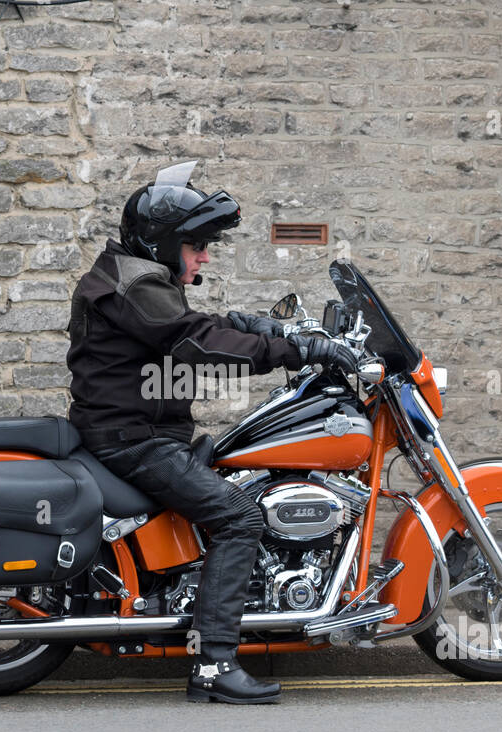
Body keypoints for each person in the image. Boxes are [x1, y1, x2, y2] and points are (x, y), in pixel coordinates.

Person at [66, 161, 357, 704]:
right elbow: (193, 339)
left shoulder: (134, 277)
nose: (204, 256)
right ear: (162, 242)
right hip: (135, 441)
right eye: (196, 245)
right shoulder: (134, 286)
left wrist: (261, 327)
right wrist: (295, 350)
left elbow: (192, 324)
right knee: (239, 516)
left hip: (133, 431)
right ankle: (214, 664)